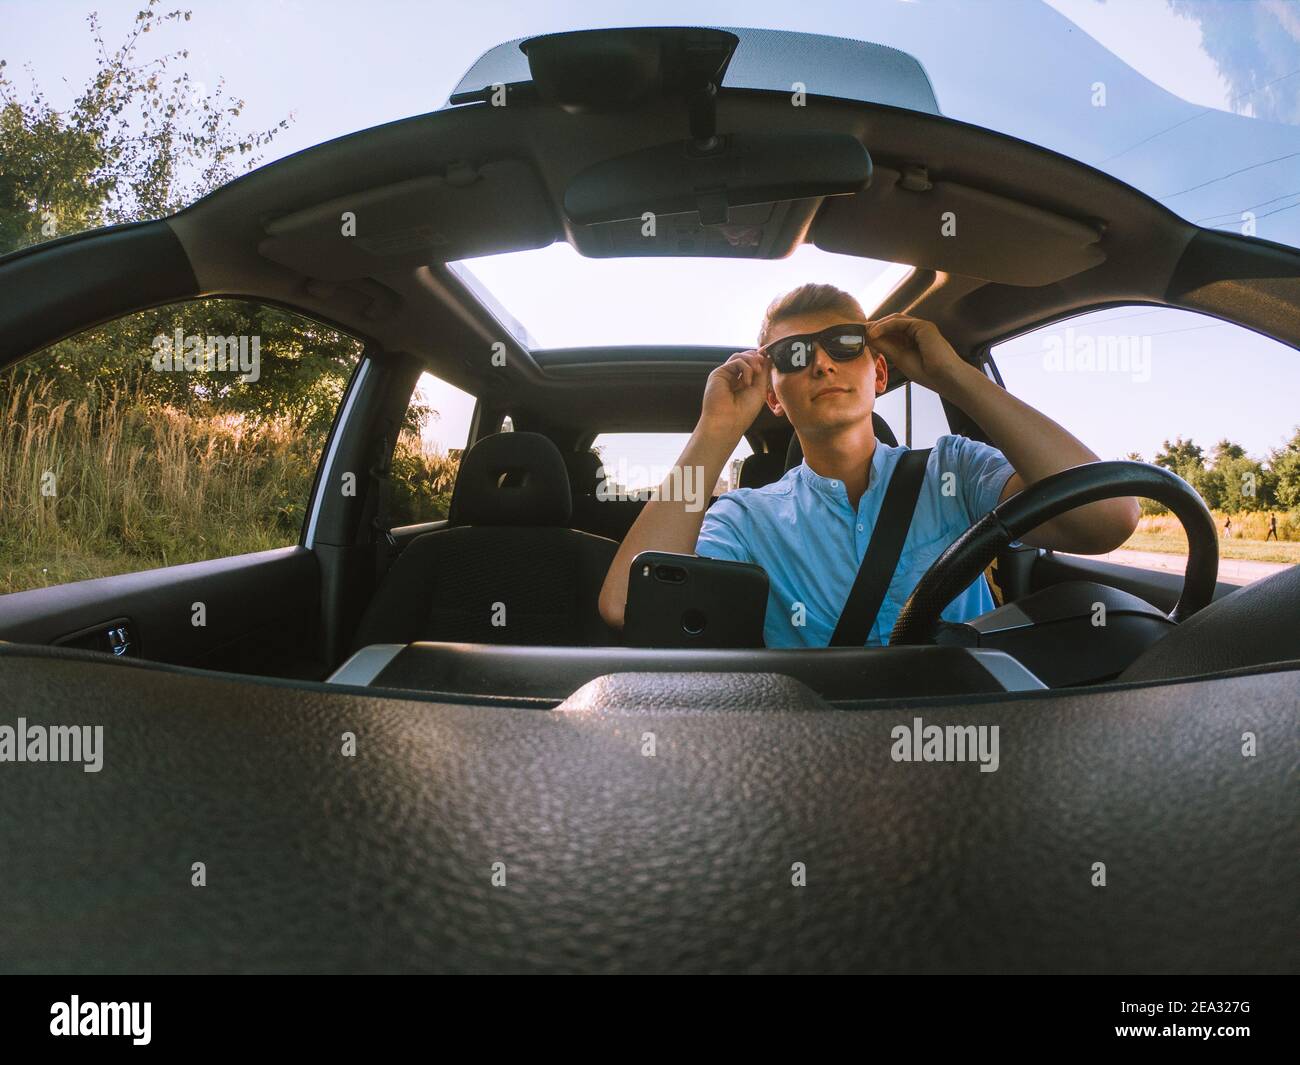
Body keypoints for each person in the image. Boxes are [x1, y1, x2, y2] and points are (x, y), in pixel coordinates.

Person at [597, 283, 1141, 647]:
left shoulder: (952, 471)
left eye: (844, 343)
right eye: (793, 356)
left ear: (880, 374)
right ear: (774, 397)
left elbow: (1110, 518)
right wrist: (716, 428)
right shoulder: (745, 518)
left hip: (965, 728)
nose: (823, 363)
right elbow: (627, 605)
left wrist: (952, 374)